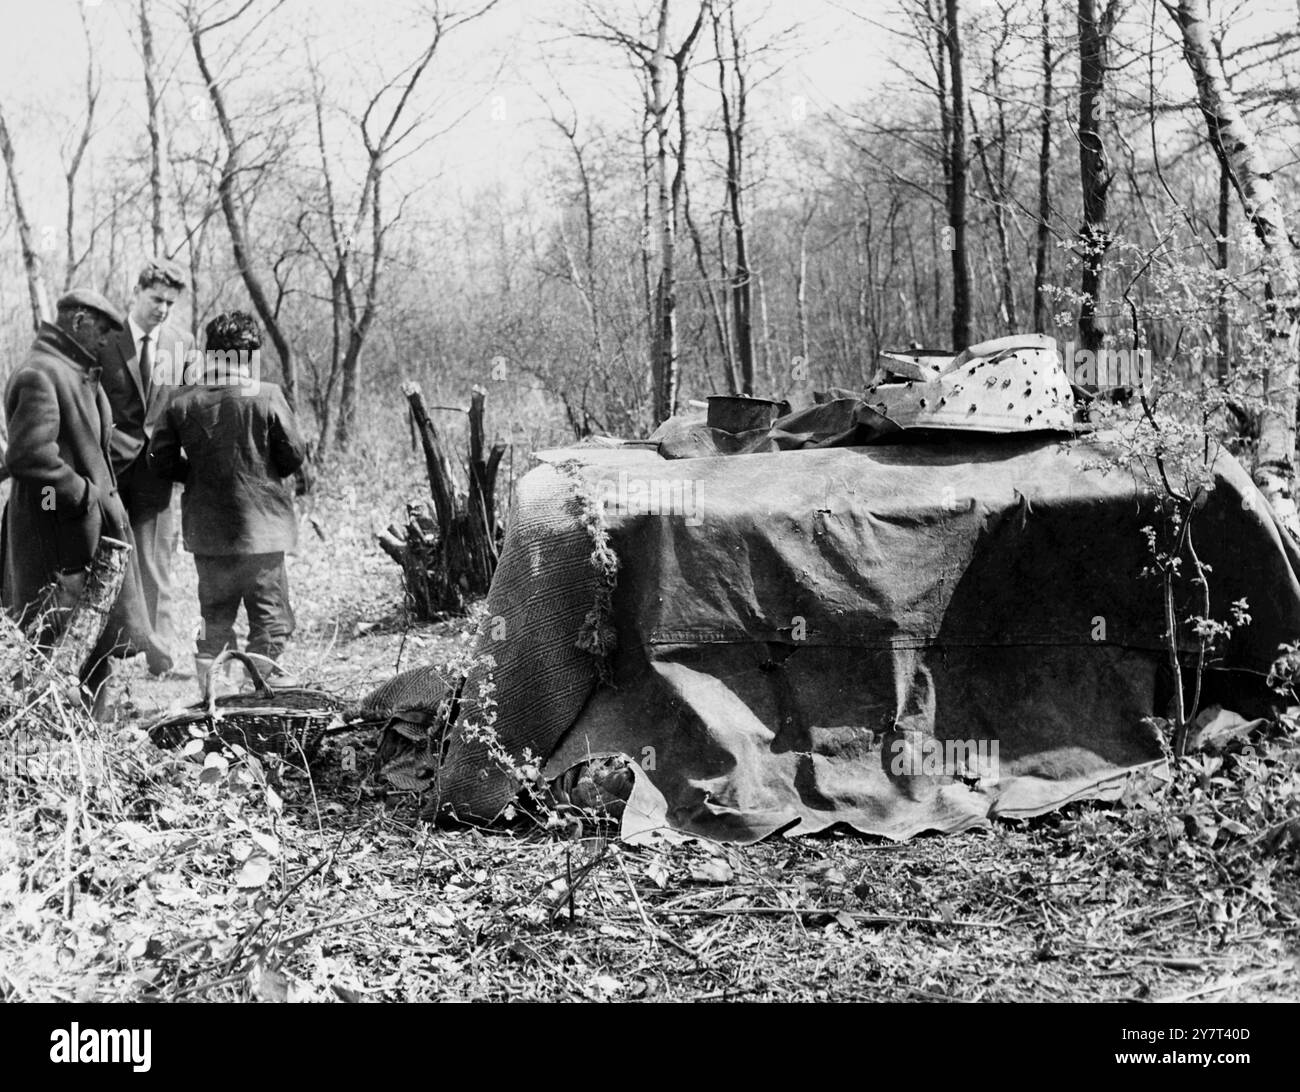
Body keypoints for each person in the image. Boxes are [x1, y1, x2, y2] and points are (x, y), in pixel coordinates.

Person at [1, 289, 172, 714]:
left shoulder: (74, 372)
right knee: (57, 639)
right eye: (101, 330)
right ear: (77, 322)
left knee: (89, 636)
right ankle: (61, 746)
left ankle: (95, 736)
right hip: (56, 538)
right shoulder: (41, 373)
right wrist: (78, 500)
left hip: (80, 533)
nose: (106, 341)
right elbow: (31, 461)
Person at [149, 310, 306, 691]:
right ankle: (264, 689)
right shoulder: (267, 396)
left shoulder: (181, 402)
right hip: (262, 532)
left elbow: (159, 460)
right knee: (269, 616)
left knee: (214, 615)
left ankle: (214, 693)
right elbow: (294, 456)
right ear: (249, 355)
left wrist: (198, 476)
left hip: (210, 532)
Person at [98, 257, 191, 668]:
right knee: (111, 558)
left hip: (158, 470)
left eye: (170, 303)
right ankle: (109, 651)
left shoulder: (181, 344)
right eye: (156, 299)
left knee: (156, 561)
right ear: (136, 293)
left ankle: (162, 651)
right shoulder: (105, 339)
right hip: (110, 471)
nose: (162, 309)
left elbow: (188, 405)